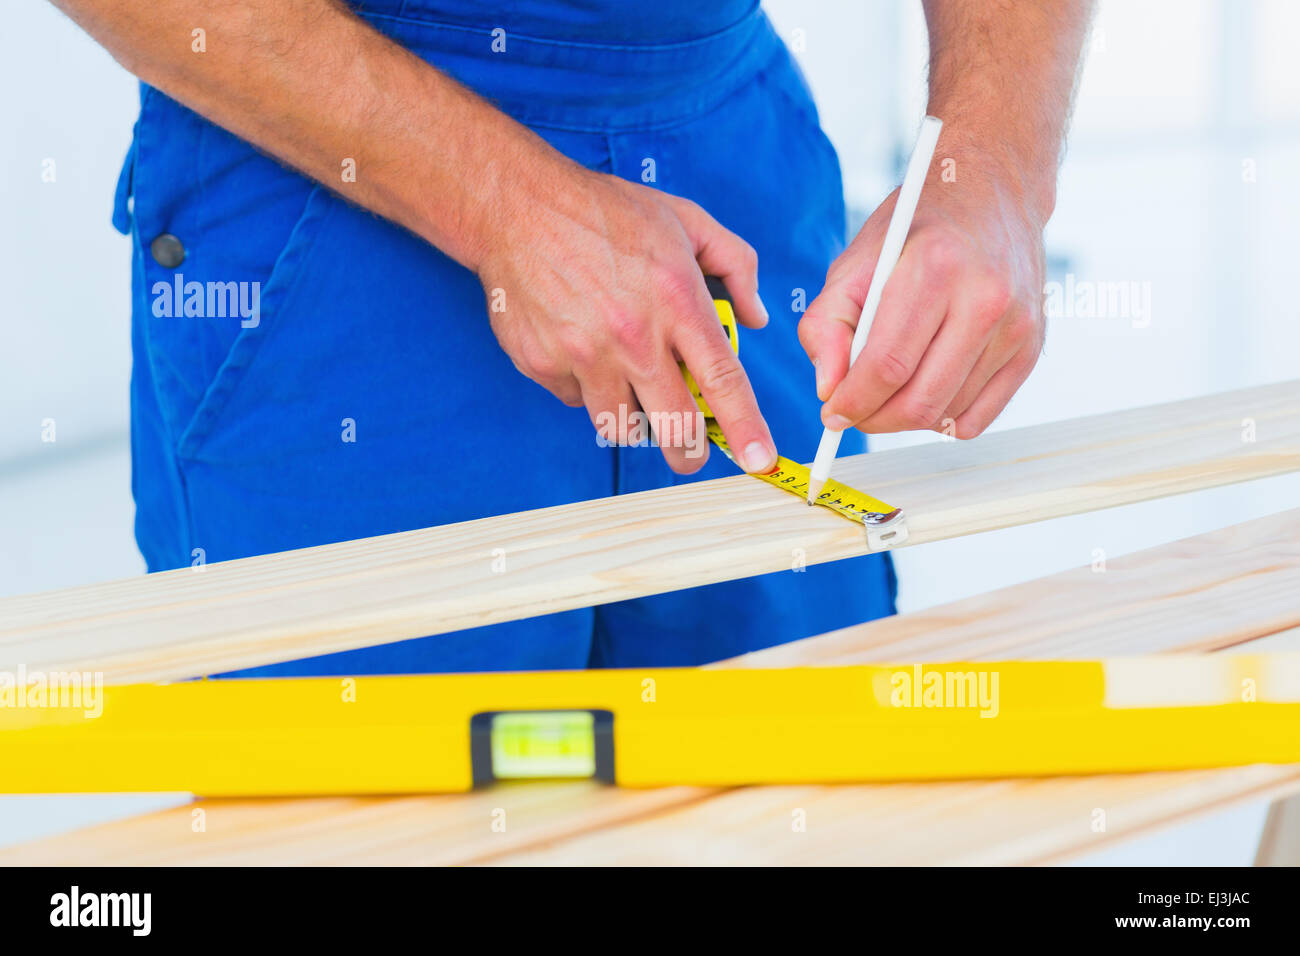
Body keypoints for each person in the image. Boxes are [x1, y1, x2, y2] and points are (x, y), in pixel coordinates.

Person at [52, 0, 1092, 673]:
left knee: (794, 787)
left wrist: (994, 160)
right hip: (335, 179)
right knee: (372, 807)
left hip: (723, 138)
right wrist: (504, 202)